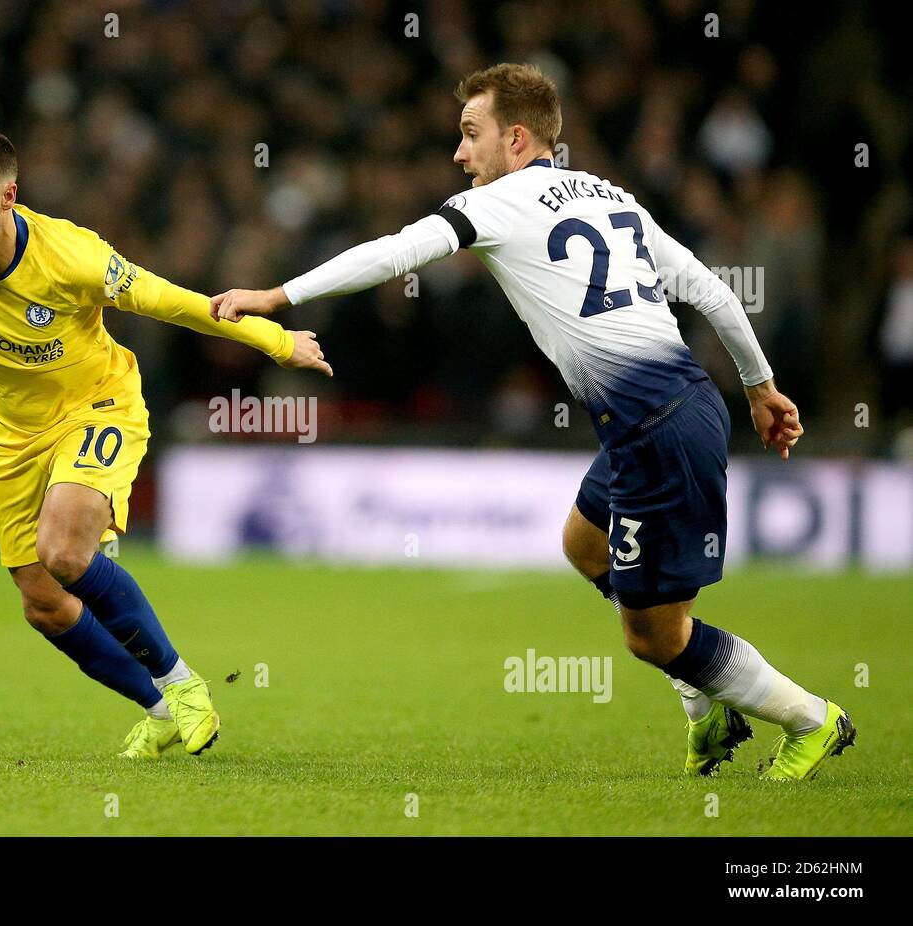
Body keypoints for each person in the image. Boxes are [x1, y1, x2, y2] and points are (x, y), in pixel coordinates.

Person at [211, 64, 853, 780]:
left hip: (656, 429)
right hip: (670, 408)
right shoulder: (614, 197)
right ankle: (705, 699)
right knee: (584, 544)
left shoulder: (499, 204)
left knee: (656, 637)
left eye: (470, 134)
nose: (460, 154)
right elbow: (709, 289)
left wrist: (276, 293)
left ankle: (810, 717)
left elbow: (393, 252)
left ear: (516, 139)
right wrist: (761, 388)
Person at [0, 129, 331, 759]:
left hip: (96, 405)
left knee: (64, 552)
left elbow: (172, 303)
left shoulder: (72, 255)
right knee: (42, 603)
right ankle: (157, 712)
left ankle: (181, 684)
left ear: (8, 196)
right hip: (12, 433)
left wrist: (276, 341)